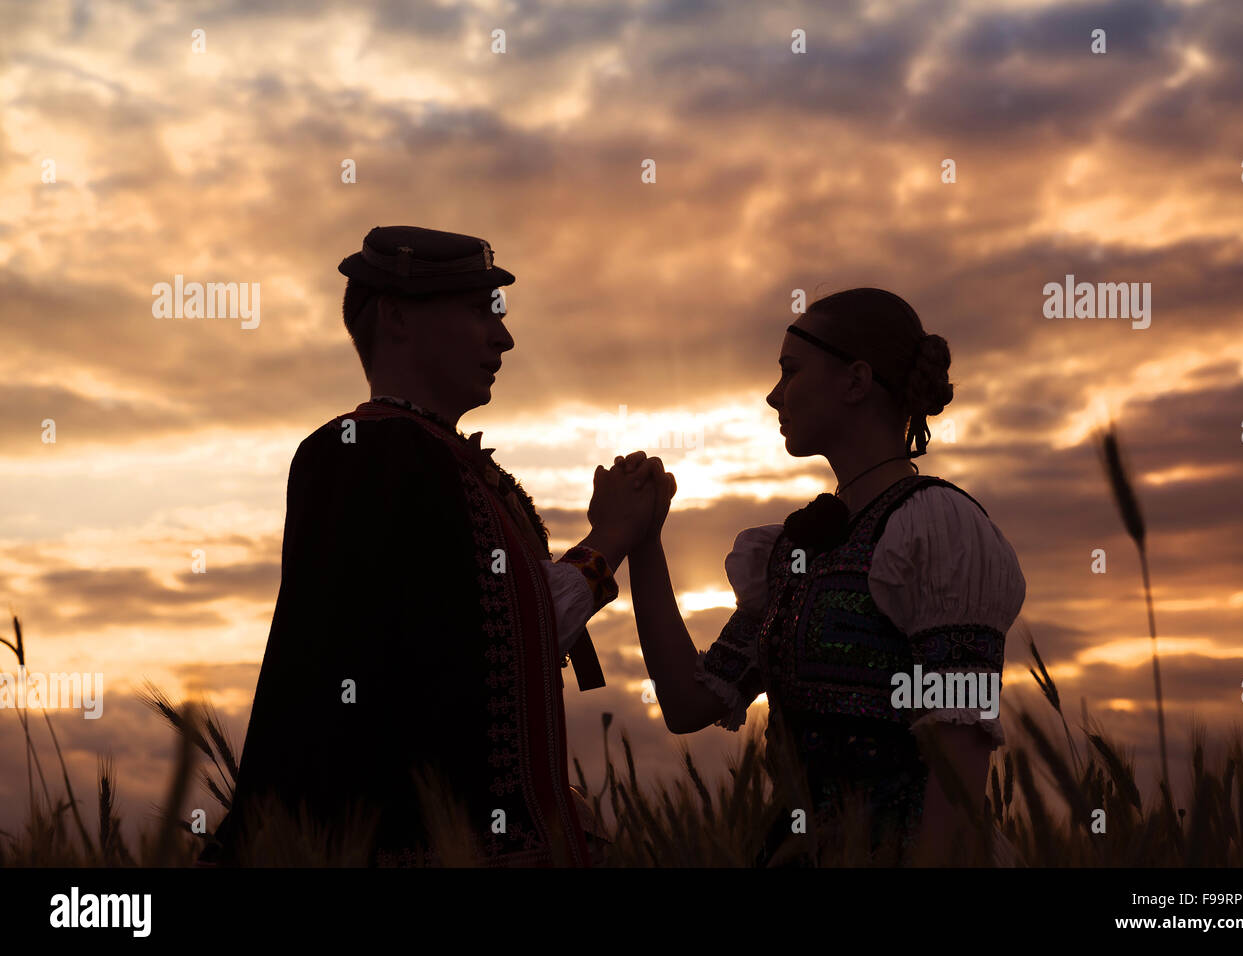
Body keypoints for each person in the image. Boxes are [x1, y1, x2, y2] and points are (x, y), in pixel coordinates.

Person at [207, 226, 657, 866]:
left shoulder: (437, 457)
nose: (503, 337)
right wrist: (609, 540)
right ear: (395, 316)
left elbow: (478, 634)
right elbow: (476, 640)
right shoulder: (367, 453)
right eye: (480, 312)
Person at [623, 288, 1027, 865]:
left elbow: (959, 767)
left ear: (856, 382)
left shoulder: (940, 531)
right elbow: (690, 704)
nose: (773, 395)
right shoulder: (800, 545)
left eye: (790, 372)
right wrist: (643, 539)